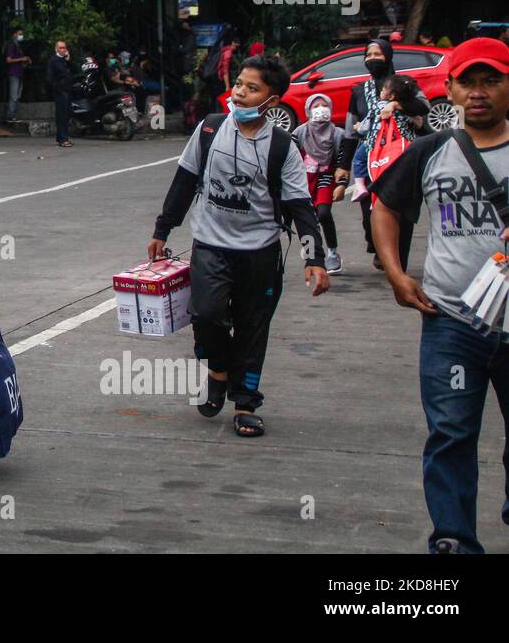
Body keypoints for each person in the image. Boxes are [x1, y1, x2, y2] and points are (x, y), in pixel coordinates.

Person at [371, 37, 509, 554]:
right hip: (452, 321)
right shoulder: (431, 151)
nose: (479, 93)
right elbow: (384, 206)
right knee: (451, 436)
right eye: (468, 82)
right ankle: (453, 542)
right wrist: (396, 274)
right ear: (448, 88)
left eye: (491, 80)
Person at [149, 54, 330, 437]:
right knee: (207, 315)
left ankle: (246, 403)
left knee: (252, 328)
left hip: (260, 253)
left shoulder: (283, 148)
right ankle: (218, 370)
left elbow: (300, 206)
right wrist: (162, 229)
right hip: (210, 245)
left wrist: (314, 257)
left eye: (252, 88)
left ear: (272, 100)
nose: (241, 94)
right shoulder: (211, 129)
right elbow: (184, 181)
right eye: (239, 85)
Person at [344, 39, 430, 269]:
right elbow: (350, 131)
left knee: (403, 211)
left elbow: (424, 109)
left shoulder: (404, 84)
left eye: (378, 54)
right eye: (368, 54)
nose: (372, 58)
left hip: (402, 157)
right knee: (368, 212)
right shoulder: (359, 90)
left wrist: (398, 105)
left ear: (388, 56)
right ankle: (378, 246)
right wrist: (343, 168)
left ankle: (398, 260)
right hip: (372, 158)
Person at [292, 94, 349, 274]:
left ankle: (332, 253)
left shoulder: (338, 134)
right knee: (307, 219)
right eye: (316, 106)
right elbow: (289, 158)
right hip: (303, 180)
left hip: (326, 176)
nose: (320, 109)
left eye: (325, 105)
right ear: (309, 110)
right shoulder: (299, 132)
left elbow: (343, 162)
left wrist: (342, 184)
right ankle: (312, 255)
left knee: (323, 213)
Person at [46, 40, 74, 147]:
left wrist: (68, 60)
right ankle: (63, 139)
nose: (63, 50)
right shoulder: (54, 60)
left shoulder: (64, 60)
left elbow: (73, 70)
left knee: (66, 114)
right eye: (61, 48)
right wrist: (57, 88)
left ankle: (61, 138)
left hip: (67, 89)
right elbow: (49, 78)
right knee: (61, 115)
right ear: (56, 49)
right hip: (60, 91)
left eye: (64, 48)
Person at [4, 28, 30, 121]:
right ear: (14, 34)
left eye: (22, 34)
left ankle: (14, 114)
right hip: (14, 73)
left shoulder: (18, 46)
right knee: (14, 95)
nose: (21, 36)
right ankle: (10, 115)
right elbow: (9, 60)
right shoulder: (12, 46)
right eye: (19, 34)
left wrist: (25, 60)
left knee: (18, 95)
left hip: (19, 73)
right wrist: (21, 59)